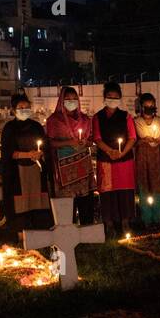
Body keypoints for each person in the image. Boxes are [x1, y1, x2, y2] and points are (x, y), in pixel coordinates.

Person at [43, 86, 96, 227]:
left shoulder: (85, 119)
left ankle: (86, 230)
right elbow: (50, 142)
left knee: (85, 200)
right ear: (61, 101)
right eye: (68, 99)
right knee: (67, 204)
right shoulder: (54, 120)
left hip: (83, 167)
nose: (71, 102)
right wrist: (69, 142)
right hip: (63, 169)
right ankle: (67, 230)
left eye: (74, 99)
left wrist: (86, 142)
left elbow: (91, 140)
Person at [0, 91, 50, 234]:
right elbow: (9, 152)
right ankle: (21, 233)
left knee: (37, 200)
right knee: (20, 202)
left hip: (35, 170)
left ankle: (40, 230)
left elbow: (45, 146)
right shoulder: (9, 128)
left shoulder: (36, 126)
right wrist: (28, 154)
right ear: (14, 110)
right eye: (21, 107)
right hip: (17, 172)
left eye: (27, 107)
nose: (24, 110)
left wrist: (40, 153)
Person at [92, 82, 137, 239]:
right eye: (109, 97)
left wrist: (122, 152)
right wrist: (110, 151)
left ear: (120, 99)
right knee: (107, 192)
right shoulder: (97, 117)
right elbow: (97, 138)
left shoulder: (126, 116)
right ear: (104, 98)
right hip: (106, 159)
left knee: (125, 191)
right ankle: (109, 224)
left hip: (124, 160)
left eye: (116, 97)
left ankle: (125, 222)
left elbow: (132, 137)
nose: (112, 99)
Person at [133, 93, 160, 226]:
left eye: (151, 105)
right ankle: (146, 219)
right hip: (142, 158)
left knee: (158, 187)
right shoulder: (136, 122)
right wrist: (142, 141)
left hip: (157, 158)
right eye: (146, 106)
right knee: (144, 188)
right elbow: (133, 141)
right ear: (141, 107)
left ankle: (157, 218)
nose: (149, 108)